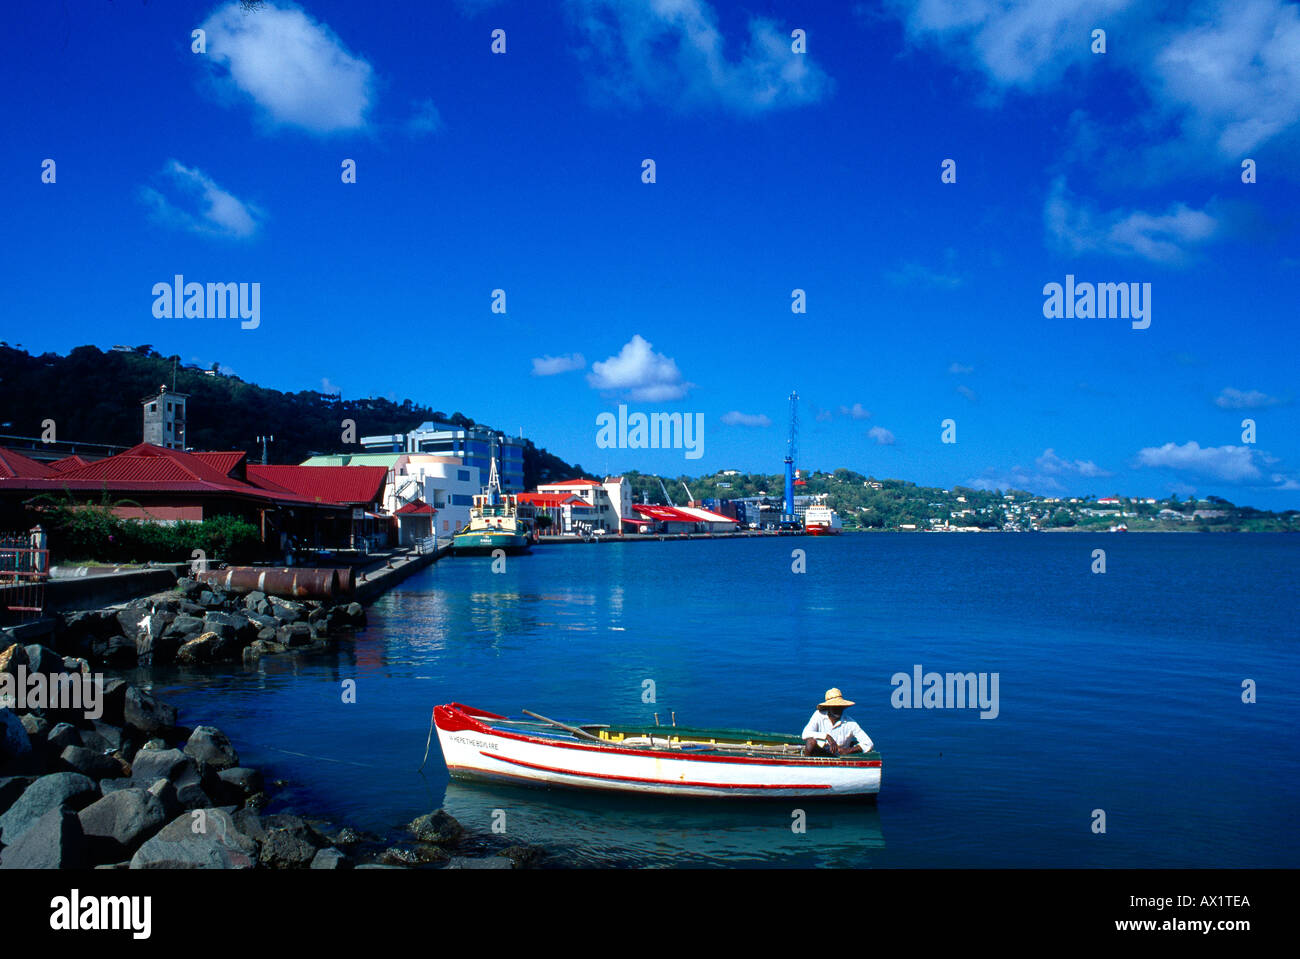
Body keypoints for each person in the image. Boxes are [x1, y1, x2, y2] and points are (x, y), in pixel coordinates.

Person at [802, 688, 873, 757]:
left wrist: (848, 750)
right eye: (834, 706)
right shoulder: (818, 715)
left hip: (839, 757)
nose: (838, 709)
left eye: (840, 706)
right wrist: (827, 736)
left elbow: (868, 743)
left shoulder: (851, 723)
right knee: (810, 742)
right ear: (828, 707)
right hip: (820, 752)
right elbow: (805, 734)